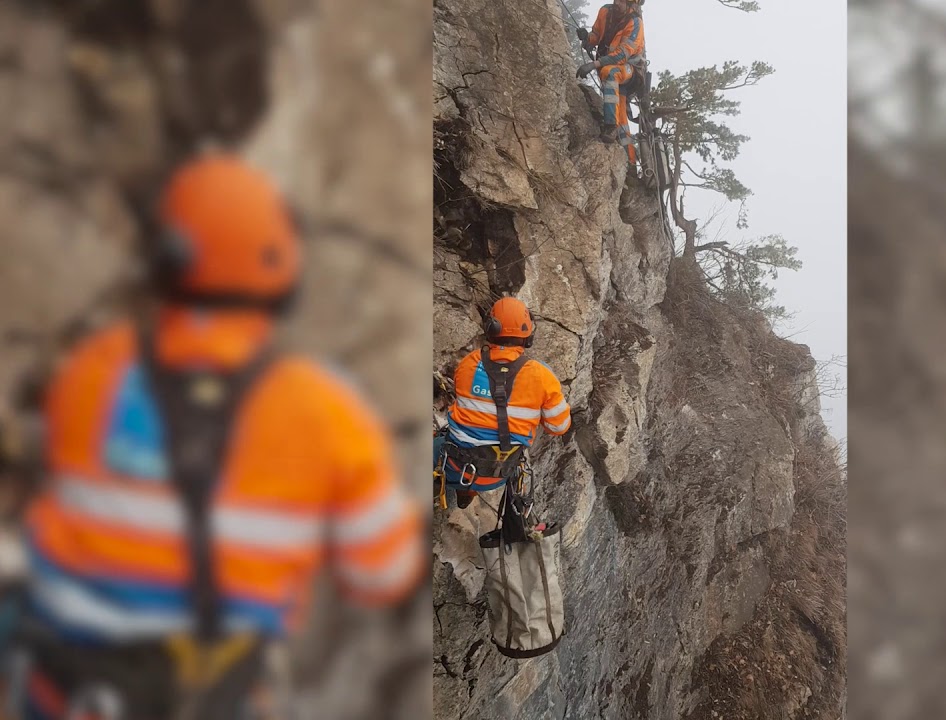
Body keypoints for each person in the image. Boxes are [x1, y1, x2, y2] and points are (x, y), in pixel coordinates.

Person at [5, 153, 424, 719]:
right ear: (285, 272)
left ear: (162, 263)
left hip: (65, 695)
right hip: (208, 698)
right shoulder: (327, 411)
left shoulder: (89, 374)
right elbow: (383, 573)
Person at [435, 297, 571, 510]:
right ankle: (467, 492)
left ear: (490, 330)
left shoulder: (468, 364)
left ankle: (459, 489)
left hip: (455, 466)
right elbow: (559, 427)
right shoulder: (543, 377)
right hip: (499, 473)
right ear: (528, 337)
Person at [576, 0, 646, 165]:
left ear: (631, 5)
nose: (617, 3)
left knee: (611, 72)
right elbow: (596, 34)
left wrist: (593, 65)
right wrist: (587, 38)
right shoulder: (605, 12)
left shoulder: (635, 23)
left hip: (631, 69)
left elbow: (622, 55)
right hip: (611, 67)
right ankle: (631, 165)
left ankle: (610, 126)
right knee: (621, 117)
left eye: (622, 1)